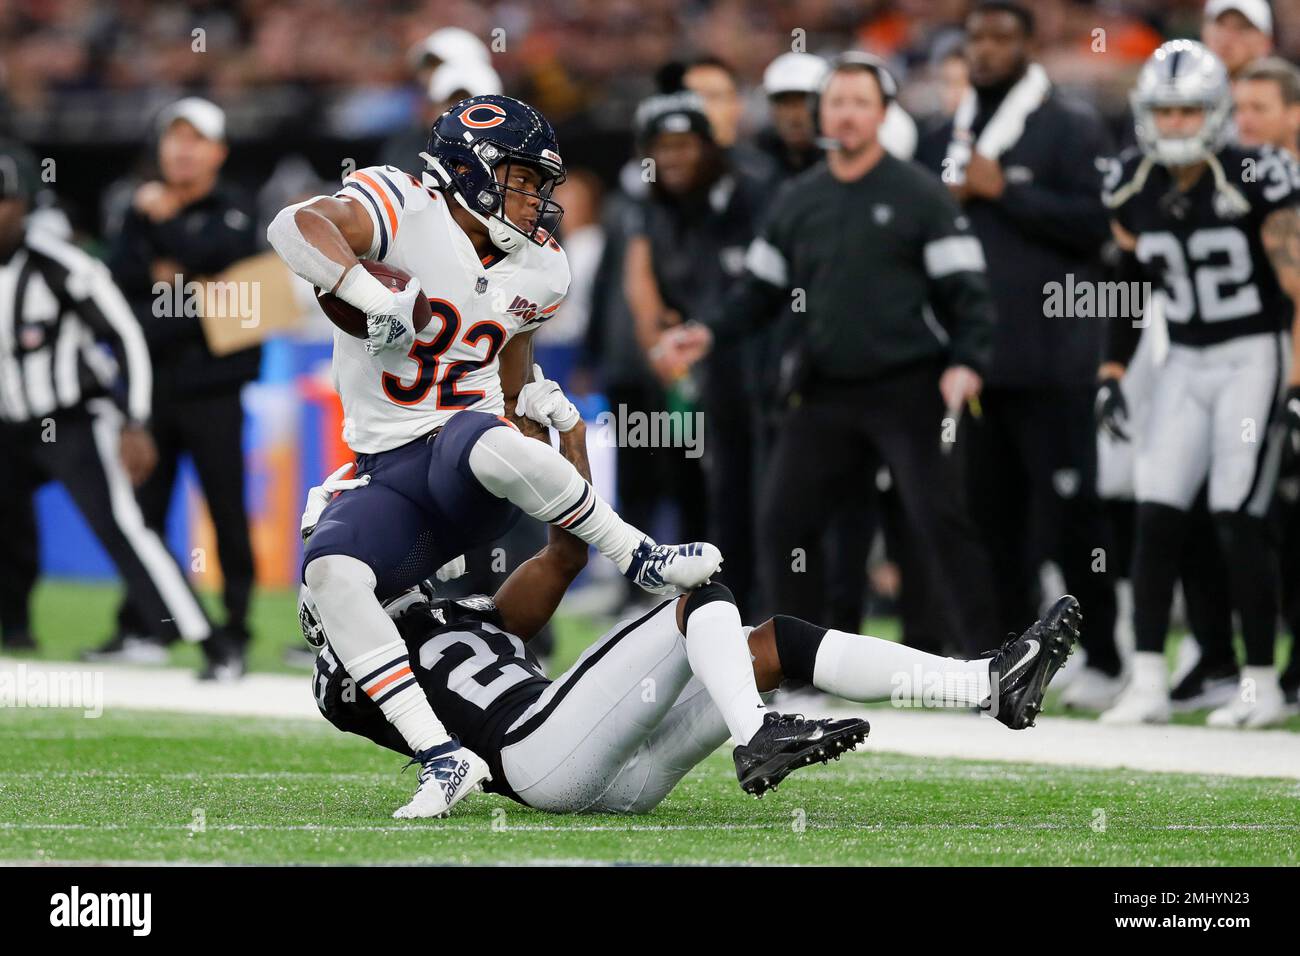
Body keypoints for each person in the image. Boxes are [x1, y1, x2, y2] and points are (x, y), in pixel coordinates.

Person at [302, 375, 1081, 814]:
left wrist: (567, 430)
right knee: (698, 593)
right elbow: (347, 623)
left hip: (611, 767)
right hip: (538, 755)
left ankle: (986, 684)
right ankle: (757, 735)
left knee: (764, 644)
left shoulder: (469, 611)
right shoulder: (348, 669)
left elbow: (566, 546)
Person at [266, 94, 723, 819]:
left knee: (473, 433)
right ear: (470, 168)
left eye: (542, 184)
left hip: (465, 466)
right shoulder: (402, 206)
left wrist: (537, 400)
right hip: (389, 470)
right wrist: (359, 285)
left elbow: (506, 382)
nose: (538, 198)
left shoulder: (541, 268)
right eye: (523, 178)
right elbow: (293, 225)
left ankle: (640, 555)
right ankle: (440, 757)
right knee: (330, 572)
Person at [659, 54, 1000, 656]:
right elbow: (759, 291)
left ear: (883, 113)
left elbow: (967, 289)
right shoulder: (800, 200)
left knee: (939, 520)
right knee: (782, 520)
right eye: (836, 102)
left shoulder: (918, 193)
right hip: (826, 388)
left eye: (859, 103)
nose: (846, 114)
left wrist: (967, 360)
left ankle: (985, 662)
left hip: (910, 385)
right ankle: (798, 661)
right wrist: (706, 332)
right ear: (823, 112)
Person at [916, 0, 1122, 709]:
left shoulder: (1071, 126)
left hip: (1054, 358)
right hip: (975, 364)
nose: (986, 48)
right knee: (989, 519)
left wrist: (1002, 191)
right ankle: (1006, 659)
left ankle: (1107, 654)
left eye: (1002, 35)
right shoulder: (943, 134)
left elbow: (1101, 226)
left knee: (1072, 515)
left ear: (1030, 45)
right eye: (976, 36)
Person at [1096, 41, 1300, 728]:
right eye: (1165, 110)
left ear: (1212, 113)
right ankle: (1149, 678)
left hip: (1252, 353)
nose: (1177, 123)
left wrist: (1296, 382)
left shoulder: (1257, 174)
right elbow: (1128, 287)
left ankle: (1259, 682)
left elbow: (1298, 288)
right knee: (1156, 513)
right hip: (1181, 357)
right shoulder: (1132, 180)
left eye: (1189, 110)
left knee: (1239, 516)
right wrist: (1113, 371)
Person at [0, 140, 224, 670]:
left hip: (72, 419)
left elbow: (126, 337)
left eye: (4, 199)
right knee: (7, 530)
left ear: (26, 204)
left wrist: (136, 419)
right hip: (6, 426)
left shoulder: (60, 267)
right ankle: (15, 633)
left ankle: (210, 642)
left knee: (126, 528)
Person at [101, 97, 259, 678]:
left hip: (216, 392)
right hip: (153, 392)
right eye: (174, 138)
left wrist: (167, 238)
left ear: (217, 152)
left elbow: (244, 299)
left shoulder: (239, 208)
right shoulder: (133, 212)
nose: (183, 150)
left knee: (226, 514)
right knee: (142, 514)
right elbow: (119, 297)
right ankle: (143, 625)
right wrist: (194, 294)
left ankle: (236, 631)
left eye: (195, 139)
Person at [626, 90, 768, 617]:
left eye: (685, 145)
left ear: (709, 147)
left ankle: (759, 610)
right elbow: (651, 286)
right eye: (663, 147)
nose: (674, 158)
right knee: (694, 488)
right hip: (696, 376)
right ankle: (705, 609)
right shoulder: (660, 210)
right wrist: (663, 334)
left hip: (756, 375)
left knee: (752, 497)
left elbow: (761, 288)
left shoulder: (754, 193)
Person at [1231, 56, 1300, 707]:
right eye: (1239, 108)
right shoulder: (1234, 180)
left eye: (1259, 108)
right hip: (1262, 367)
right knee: (1265, 521)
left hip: (1283, 365)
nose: (1243, 121)